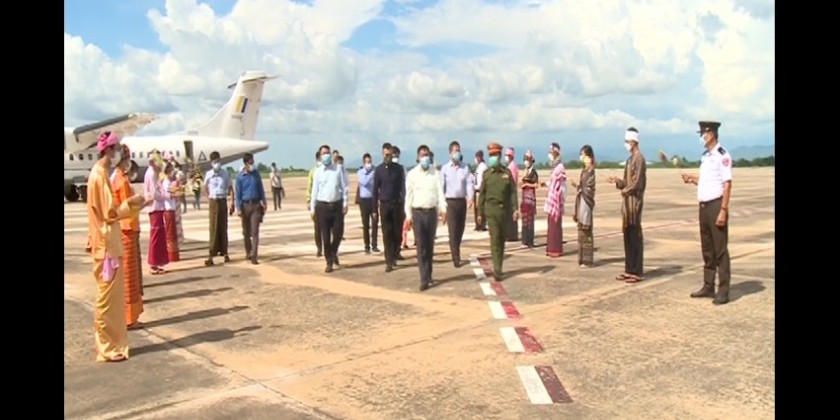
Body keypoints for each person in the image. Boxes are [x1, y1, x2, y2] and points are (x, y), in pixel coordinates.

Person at [87, 132, 150, 362]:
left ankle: (111, 343)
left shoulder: (100, 173)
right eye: (115, 151)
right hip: (107, 246)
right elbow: (110, 213)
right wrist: (132, 204)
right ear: (110, 151)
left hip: (106, 243)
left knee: (111, 300)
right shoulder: (100, 175)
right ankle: (106, 346)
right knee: (106, 300)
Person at [683, 121, 733, 305]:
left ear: (711, 134)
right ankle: (708, 285)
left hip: (715, 206)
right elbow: (707, 181)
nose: (702, 137)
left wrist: (723, 210)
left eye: (703, 133)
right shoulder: (705, 156)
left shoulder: (722, 155)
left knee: (720, 250)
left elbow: (727, 183)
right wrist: (693, 180)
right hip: (703, 207)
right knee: (707, 248)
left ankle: (724, 290)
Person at [110, 144, 145, 329]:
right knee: (129, 276)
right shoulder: (120, 181)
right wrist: (140, 202)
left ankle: (130, 315)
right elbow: (125, 208)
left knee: (129, 275)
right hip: (127, 229)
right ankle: (130, 317)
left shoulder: (117, 178)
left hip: (126, 228)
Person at [607, 127, 647, 283]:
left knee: (635, 237)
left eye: (627, 141)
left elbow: (638, 183)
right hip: (626, 206)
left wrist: (626, 190)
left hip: (634, 204)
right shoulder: (630, 160)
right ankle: (629, 269)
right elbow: (627, 181)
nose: (626, 144)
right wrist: (618, 182)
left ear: (633, 141)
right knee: (627, 237)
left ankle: (637, 271)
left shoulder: (640, 159)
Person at [405, 145, 447, 290]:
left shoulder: (435, 173)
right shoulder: (412, 174)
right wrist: (408, 216)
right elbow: (408, 197)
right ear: (418, 157)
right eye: (423, 155)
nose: (425, 158)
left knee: (429, 246)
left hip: (431, 213)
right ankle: (423, 278)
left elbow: (440, 192)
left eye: (427, 155)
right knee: (421, 246)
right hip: (418, 213)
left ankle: (428, 273)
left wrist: (443, 208)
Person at [477, 142, 519, 281]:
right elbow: (482, 195)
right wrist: (480, 213)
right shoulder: (487, 174)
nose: (492, 157)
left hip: (504, 211)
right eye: (490, 155)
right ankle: (497, 269)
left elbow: (513, 192)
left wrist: (515, 209)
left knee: (501, 240)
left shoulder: (506, 174)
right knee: (495, 239)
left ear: (500, 156)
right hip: (491, 210)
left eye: (495, 155)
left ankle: (499, 266)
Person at [310, 145, 349, 273]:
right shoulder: (318, 172)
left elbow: (344, 187)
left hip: (336, 206)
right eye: (323, 153)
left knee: (338, 234)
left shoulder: (338, 169)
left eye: (327, 153)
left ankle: (333, 251)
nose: (326, 155)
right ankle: (329, 261)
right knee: (325, 237)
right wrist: (312, 208)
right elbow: (314, 191)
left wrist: (345, 203)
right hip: (322, 207)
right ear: (320, 156)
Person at [440, 140, 474, 267]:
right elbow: (441, 188)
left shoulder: (465, 167)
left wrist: (470, 197)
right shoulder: (445, 169)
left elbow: (469, 183)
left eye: (459, 151)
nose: (457, 153)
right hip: (450, 202)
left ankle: (456, 248)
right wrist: (441, 206)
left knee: (460, 229)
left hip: (461, 202)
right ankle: (456, 256)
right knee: (453, 230)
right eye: (455, 151)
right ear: (450, 153)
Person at [372, 142, 406, 272]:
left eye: (389, 154)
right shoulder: (379, 170)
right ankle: (389, 261)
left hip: (397, 204)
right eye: (385, 154)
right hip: (385, 205)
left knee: (397, 233)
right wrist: (374, 209)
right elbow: (375, 190)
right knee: (387, 233)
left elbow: (403, 187)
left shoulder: (399, 169)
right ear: (382, 154)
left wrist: (404, 203)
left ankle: (395, 252)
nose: (388, 156)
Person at [235, 153, 267, 265]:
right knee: (246, 232)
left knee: (255, 232)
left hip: (256, 205)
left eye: (253, 162)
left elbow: (261, 189)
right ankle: (248, 252)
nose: (252, 164)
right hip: (245, 206)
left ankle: (254, 255)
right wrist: (238, 208)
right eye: (250, 162)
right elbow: (238, 194)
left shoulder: (256, 174)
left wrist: (264, 202)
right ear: (245, 163)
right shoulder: (240, 177)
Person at [203, 151, 234, 266]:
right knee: (213, 228)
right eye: (215, 162)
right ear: (211, 162)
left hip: (222, 200)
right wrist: (208, 197)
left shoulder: (225, 173)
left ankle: (225, 253)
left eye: (218, 161)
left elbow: (230, 188)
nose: (217, 164)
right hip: (213, 201)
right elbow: (204, 187)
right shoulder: (209, 174)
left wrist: (232, 202)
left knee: (223, 226)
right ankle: (211, 254)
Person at [144, 151, 169, 274]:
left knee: (158, 237)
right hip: (155, 207)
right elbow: (155, 193)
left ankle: (156, 262)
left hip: (156, 207)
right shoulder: (152, 173)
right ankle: (153, 263)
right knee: (156, 237)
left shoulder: (153, 173)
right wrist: (167, 196)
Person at [571, 145, 597, 267]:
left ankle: (587, 260)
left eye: (583, 155)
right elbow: (583, 187)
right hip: (581, 202)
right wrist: (577, 186)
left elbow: (589, 189)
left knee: (586, 233)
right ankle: (581, 258)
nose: (581, 157)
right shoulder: (584, 171)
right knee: (581, 232)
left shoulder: (591, 171)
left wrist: (581, 189)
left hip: (586, 203)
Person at [543, 143, 567, 258]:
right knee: (551, 226)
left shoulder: (560, 167)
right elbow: (553, 183)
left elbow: (561, 185)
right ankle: (551, 248)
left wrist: (559, 198)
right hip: (552, 198)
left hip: (556, 199)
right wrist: (546, 184)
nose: (550, 155)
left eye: (552, 152)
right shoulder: (555, 167)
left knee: (555, 226)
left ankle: (556, 249)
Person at [357, 153, 380, 254]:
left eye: (370, 162)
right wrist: (372, 175)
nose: (368, 164)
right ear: (363, 163)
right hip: (364, 201)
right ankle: (367, 246)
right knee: (365, 224)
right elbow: (364, 182)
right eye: (367, 162)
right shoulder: (360, 172)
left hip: (373, 200)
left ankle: (374, 245)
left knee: (375, 223)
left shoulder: (375, 172)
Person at [519, 150, 539, 248]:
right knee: (524, 220)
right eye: (525, 159)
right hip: (524, 199)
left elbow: (536, 184)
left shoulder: (533, 172)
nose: (526, 161)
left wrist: (528, 184)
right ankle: (525, 240)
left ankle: (530, 241)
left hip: (530, 199)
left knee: (530, 221)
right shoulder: (524, 171)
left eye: (527, 159)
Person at [162, 163, 181, 263]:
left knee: (173, 232)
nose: (173, 172)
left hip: (172, 208)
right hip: (168, 209)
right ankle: (171, 255)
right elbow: (167, 195)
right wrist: (176, 194)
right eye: (171, 170)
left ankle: (174, 255)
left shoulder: (170, 181)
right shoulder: (166, 182)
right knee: (170, 233)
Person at [305, 150, 323, 257]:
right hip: (316, 203)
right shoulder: (313, 171)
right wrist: (308, 200)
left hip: (326, 202)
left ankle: (327, 247)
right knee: (317, 227)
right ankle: (319, 248)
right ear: (317, 159)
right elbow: (309, 187)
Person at [504, 147, 520, 242]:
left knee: (511, 214)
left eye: (507, 155)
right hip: (509, 191)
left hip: (510, 192)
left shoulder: (512, 167)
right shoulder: (511, 166)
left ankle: (511, 234)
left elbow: (512, 181)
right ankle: (510, 234)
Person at [473, 150, 488, 231]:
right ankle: (477, 225)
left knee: (480, 208)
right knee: (477, 209)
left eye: (477, 157)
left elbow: (481, 180)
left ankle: (481, 225)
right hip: (476, 189)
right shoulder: (478, 167)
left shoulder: (483, 167)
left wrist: (476, 187)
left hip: (480, 190)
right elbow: (475, 177)